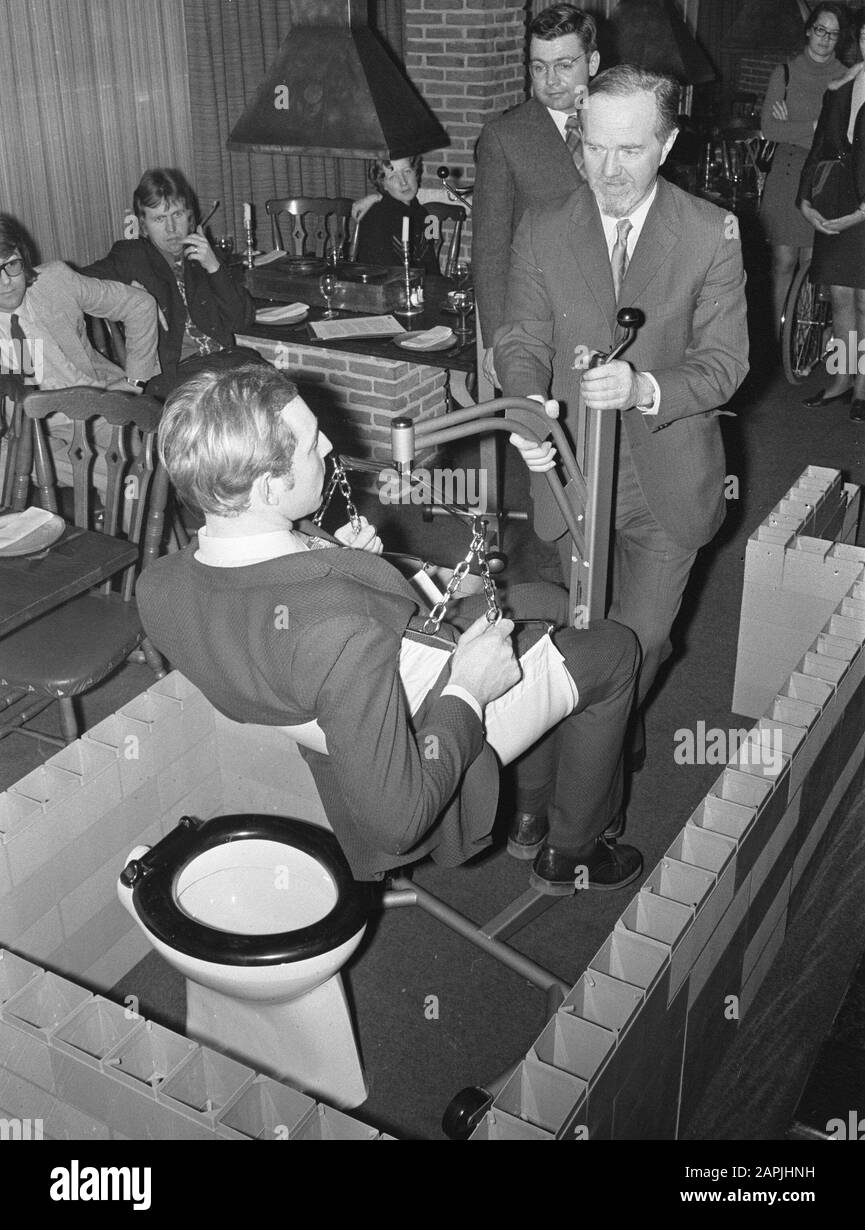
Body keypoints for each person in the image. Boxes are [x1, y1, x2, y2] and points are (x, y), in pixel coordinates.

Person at [137, 363, 643, 896]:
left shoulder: (159, 587)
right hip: (425, 723)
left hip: (361, 687)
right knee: (615, 650)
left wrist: (340, 558)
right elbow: (398, 823)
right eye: (312, 444)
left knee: (547, 601)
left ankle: (528, 812)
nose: (330, 445)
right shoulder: (337, 626)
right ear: (266, 487)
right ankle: (575, 850)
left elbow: (264, 605)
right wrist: (470, 688)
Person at [494, 66, 749, 748]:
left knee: (642, 644)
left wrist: (645, 388)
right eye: (593, 147)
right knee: (570, 640)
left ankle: (591, 789)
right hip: (568, 467)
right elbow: (521, 338)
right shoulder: (542, 227)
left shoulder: (710, 232)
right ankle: (568, 772)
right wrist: (526, 408)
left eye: (629, 150)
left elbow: (726, 364)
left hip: (666, 476)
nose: (606, 170)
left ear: (665, 146)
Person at [472, 3, 600, 348]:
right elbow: (490, 251)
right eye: (539, 67)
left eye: (563, 65)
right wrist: (497, 341)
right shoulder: (505, 135)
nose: (551, 80)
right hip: (541, 325)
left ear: (592, 62)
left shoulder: (617, 120)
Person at [0, 213, 159, 488]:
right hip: (29, 432)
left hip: (96, 405)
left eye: (11, 265)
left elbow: (139, 305)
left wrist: (135, 381)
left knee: (129, 473)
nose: (5, 282)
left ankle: (126, 489)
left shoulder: (55, 281)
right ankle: (117, 481)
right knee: (11, 457)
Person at [80, 168, 256, 398]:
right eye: (159, 219)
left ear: (191, 218)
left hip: (224, 364)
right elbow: (73, 283)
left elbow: (240, 320)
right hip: (174, 378)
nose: (171, 228)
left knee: (276, 390)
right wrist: (122, 294)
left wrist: (215, 268)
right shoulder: (132, 256)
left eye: (178, 215)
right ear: (143, 224)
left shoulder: (204, 255)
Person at [758, 3, 847, 338]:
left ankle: (804, 340)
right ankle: (779, 336)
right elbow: (769, 129)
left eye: (833, 33)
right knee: (783, 261)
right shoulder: (785, 72)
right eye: (821, 30)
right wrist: (814, 124)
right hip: (786, 172)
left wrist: (797, 125)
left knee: (812, 264)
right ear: (809, 30)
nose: (825, 39)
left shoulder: (844, 76)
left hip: (823, 175)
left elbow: (840, 134)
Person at [798, 8, 865, 421]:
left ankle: (864, 387)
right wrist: (805, 199)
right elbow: (821, 146)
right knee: (841, 296)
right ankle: (842, 379)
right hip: (837, 203)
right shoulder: (841, 86)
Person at [354, 157, 441, 274]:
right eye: (392, 176)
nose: (403, 182)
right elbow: (386, 272)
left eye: (407, 171)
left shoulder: (423, 214)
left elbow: (432, 266)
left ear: (416, 173)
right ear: (383, 184)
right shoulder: (377, 217)